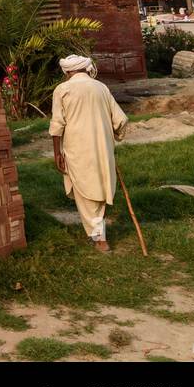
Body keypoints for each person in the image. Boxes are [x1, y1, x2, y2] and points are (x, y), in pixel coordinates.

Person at [49, 55, 128, 253]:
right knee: (99, 191)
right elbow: (120, 120)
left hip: (77, 149)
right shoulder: (101, 87)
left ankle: (100, 240)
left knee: (86, 196)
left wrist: (56, 152)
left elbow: (57, 125)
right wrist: (113, 136)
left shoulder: (63, 90)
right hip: (102, 149)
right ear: (86, 69)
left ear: (67, 72)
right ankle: (99, 233)